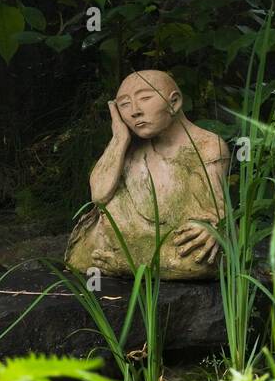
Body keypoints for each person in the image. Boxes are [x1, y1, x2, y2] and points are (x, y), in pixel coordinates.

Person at [65, 70, 230, 278]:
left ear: (175, 102)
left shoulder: (207, 147)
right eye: (124, 104)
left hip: (175, 241)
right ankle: (142, 264)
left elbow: (215, 211)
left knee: (197, 256)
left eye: (145, 98)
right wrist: (119, 139)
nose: (135, 111)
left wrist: (213, 226)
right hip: (130, 237)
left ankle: (129, 264)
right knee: (88, 248)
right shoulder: (129, 148)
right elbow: (99, 196)